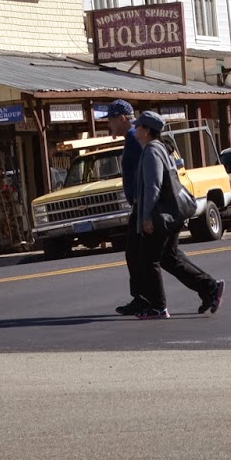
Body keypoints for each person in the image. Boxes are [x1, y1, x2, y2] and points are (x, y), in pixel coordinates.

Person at [130, 110, 224, 320]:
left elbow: (153, 186)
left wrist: (146, 216)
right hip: (172, 214)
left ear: (146, 131)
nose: (135, 129)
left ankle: (158, 307)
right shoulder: (161, 148)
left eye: (138, 126)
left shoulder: (152, 151)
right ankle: (210, 287)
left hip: (161, 216)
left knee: (148, 260)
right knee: (169, 258)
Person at [105, 100, 150, 317]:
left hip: (143, 204)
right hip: (141, 203)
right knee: (164, 255)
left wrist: (143, 203)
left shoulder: (133, 138)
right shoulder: (133, 137)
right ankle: (208, 287)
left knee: (136, 254)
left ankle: (143, 299)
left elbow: (146, 171)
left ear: (122, 118)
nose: (109, 124)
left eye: (111, 119)